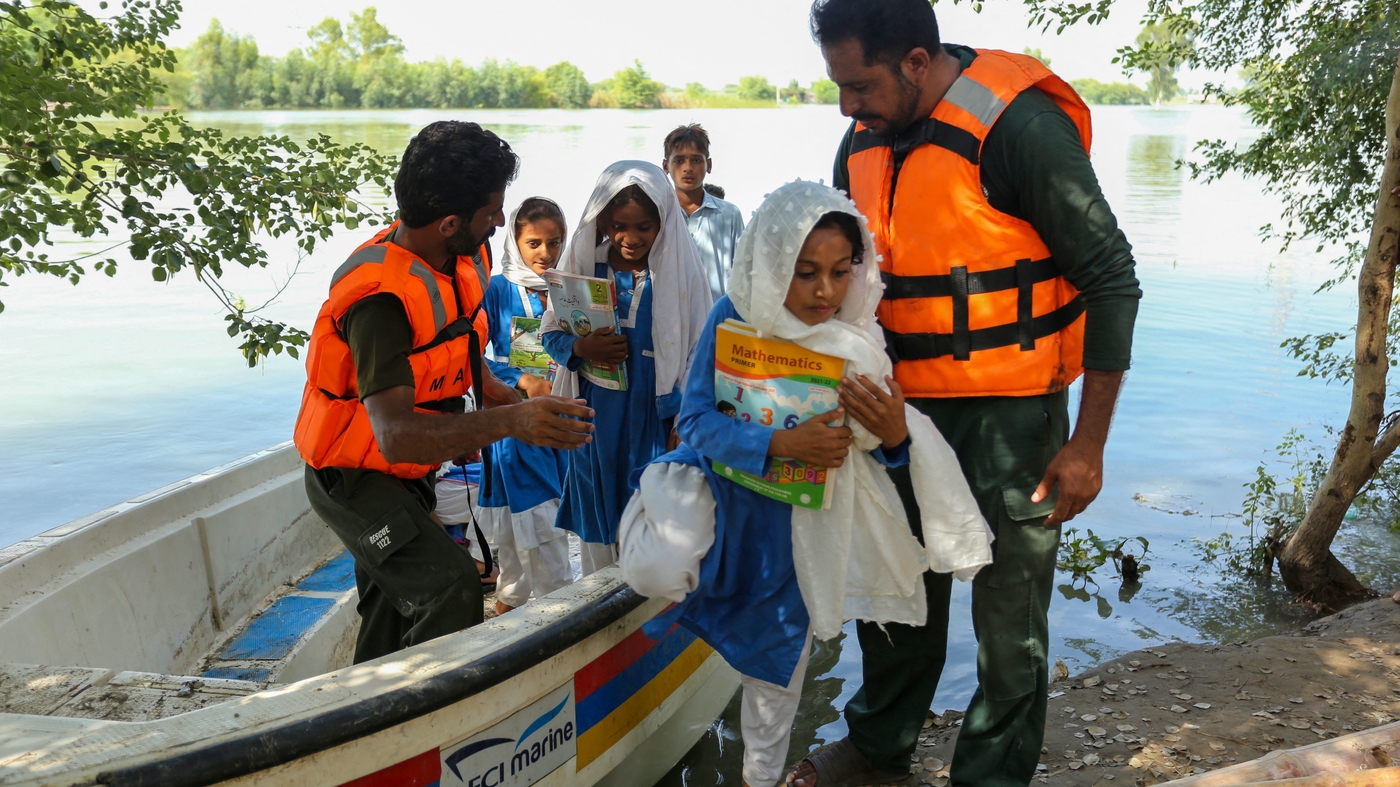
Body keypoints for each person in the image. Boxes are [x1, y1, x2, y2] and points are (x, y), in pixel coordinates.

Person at [789, 2, 1144, 785]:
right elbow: (832, 278)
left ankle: (990, 773)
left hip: (1013, 418)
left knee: (1007, 620)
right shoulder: (862, 139)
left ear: (917, 61)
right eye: (838, 86)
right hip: (896, 411)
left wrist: (1088, 443)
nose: (847, 106)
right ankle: (879, 743)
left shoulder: (1018, 128)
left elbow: (1113, 278)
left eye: (859, 84)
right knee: (891, 583)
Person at [618, 181, 991, 787]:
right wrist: (778, 444)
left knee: (775, 683)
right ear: (770, 263)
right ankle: (650, 502)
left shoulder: (859, 341)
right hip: (720, 496)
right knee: (656, 570)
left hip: (793, 536)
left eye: (840, 272)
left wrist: (896, 434)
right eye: (805, 272)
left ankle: (758, 781)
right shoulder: (734, 316)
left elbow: (883, 455)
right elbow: (693, 418)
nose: (824, 292)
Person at [293, 121, 595, 664]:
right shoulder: (379, 301)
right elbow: (397, 435)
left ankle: (368, 720)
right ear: (451, 222)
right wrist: (512, 425)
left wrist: (520, 402)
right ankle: (436, 727)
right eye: (491, 212)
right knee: (450, 585)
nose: (501, 220)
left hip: (406, 478)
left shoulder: (454, 259)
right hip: (354, 480)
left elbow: (459, 358)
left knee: (390, 609)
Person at [541, 161, 712, 575]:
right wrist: (582, 345)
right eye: (618, 226)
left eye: (643, 228)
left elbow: (701, 351)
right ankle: (600, 595)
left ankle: (650, 599)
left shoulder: (678, 273)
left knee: (653, 511)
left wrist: (686, 418)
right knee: (599, 516)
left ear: (664, 222)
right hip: (598, 416)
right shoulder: (584, 269)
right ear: (600, 221)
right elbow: (550, 333)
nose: (630, 238)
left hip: (656, 417)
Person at [477, 197, 577, 614]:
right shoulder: (498, 289)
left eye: (554, 243)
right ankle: (555, 607)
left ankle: (512, 601)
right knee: (534, 515)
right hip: (515, 423)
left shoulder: (569, 288)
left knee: (543, 510)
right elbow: (471, 357)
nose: (546, 253)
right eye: (534, 243)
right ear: (515, 242)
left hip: (562, 420)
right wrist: (520, 378)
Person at [662, 124, 744, 302]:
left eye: (696, 160)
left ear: (709, 164)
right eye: (679, 160)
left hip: (717, 316)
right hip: (671, 316)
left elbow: (742, 272)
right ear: (666, 166)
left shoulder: (729, 214)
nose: (688, 168)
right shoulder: (659, 214)